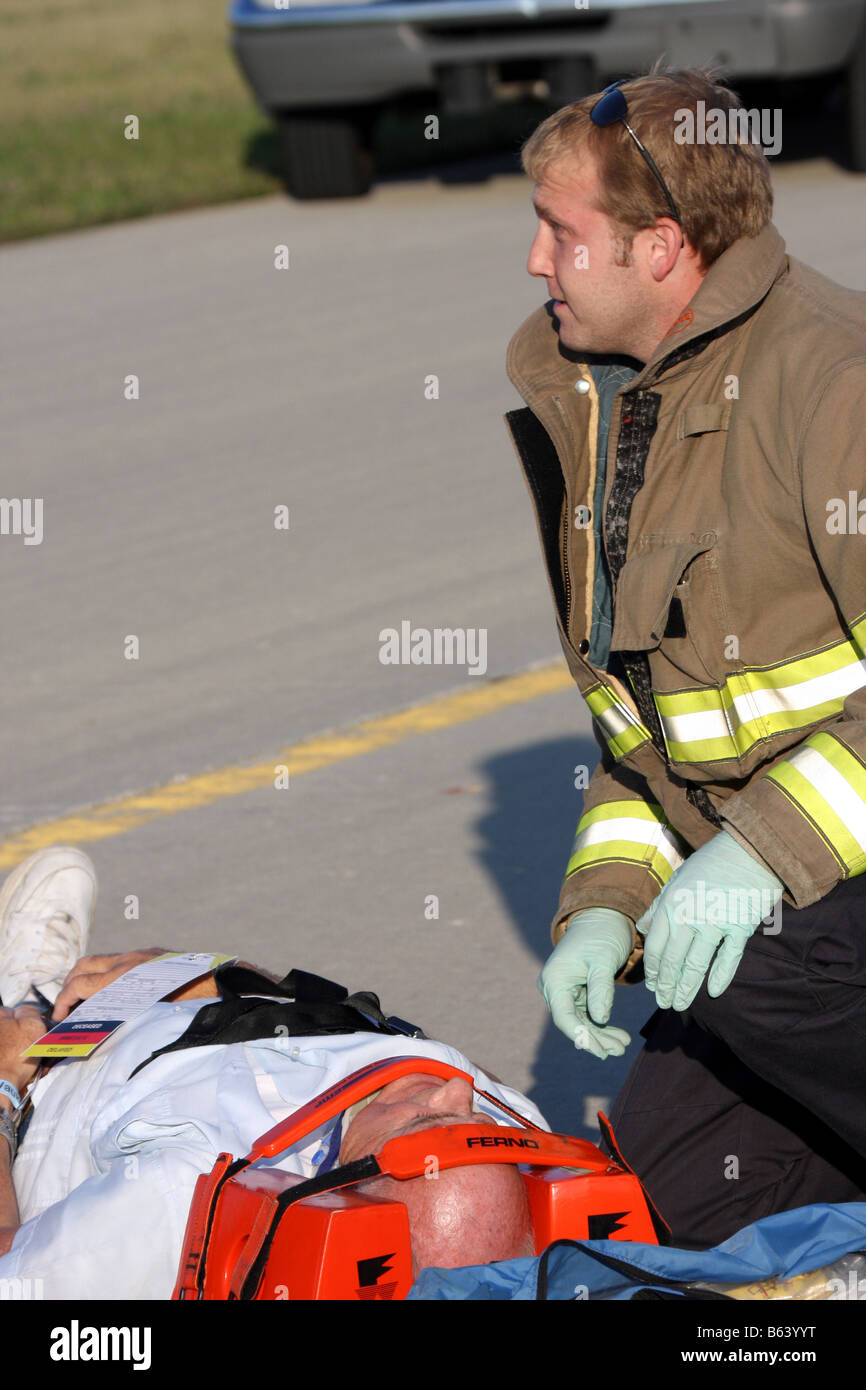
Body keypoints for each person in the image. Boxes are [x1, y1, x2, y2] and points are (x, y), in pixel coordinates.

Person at [506, 64, 866, 1247]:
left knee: (758, 963)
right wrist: (604, 906)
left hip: (823, 880)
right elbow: (648, 733)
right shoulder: (612, 406)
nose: (534, 263)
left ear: (659, 247)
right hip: (811, 889)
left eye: (561, 233)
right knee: (679, 1183)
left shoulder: (829, 379)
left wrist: (758, 853)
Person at [0, 848, 543, 1298]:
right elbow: (399, 1041)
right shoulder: (507, 1131)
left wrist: (4, 1089)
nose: (458, 1089)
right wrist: (221, 977)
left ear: (345, 1202)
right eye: (475, 1123)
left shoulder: (181, 1201)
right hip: (225, 1015)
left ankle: (31, 991)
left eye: (425, 1123)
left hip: (50, 1079)